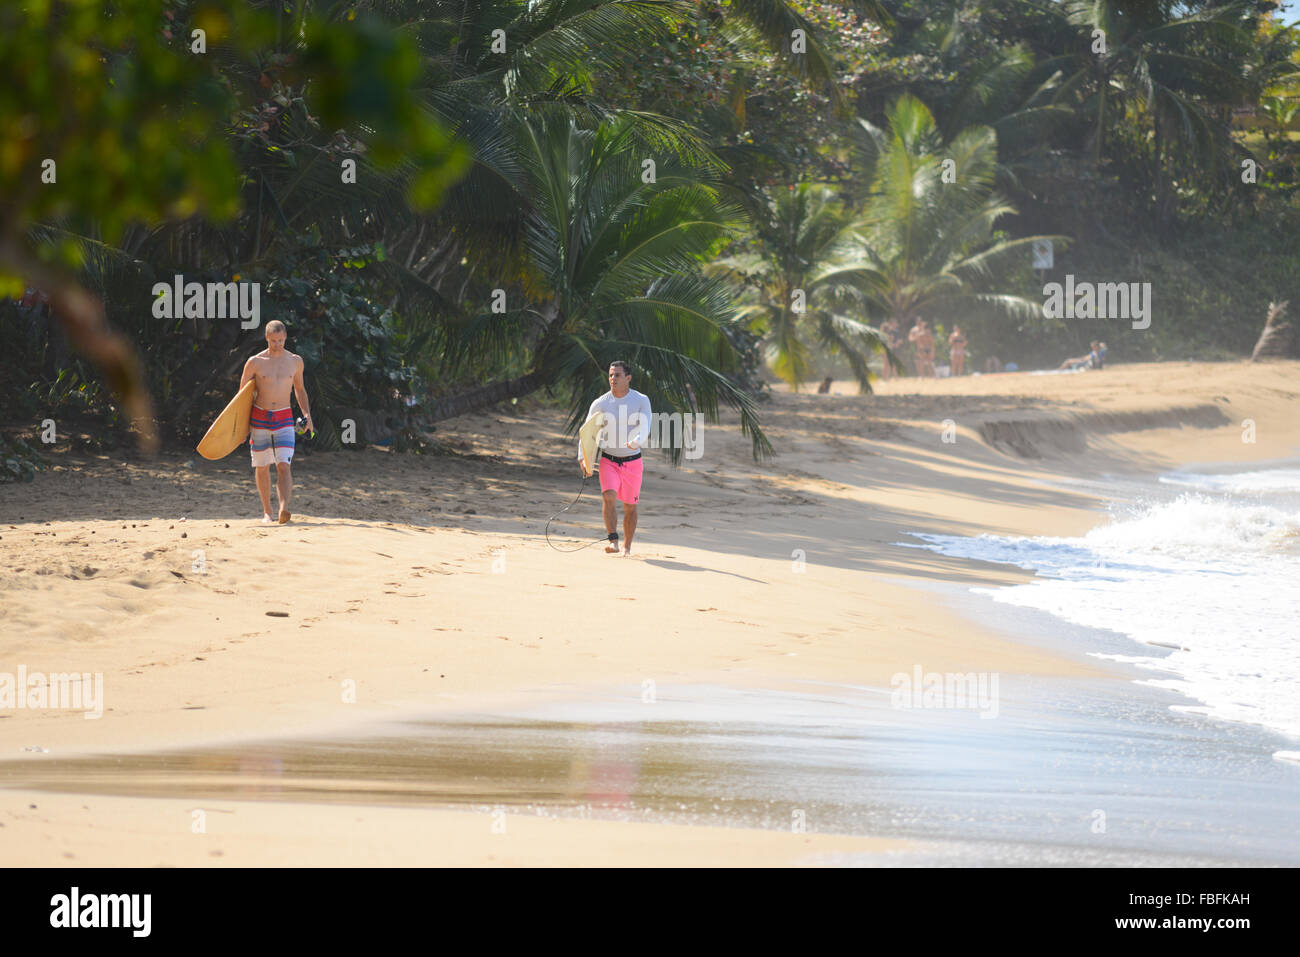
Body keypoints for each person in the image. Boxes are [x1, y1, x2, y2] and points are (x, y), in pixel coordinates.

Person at [240, 320, 313, 524]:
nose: (277, 344)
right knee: (262, 466)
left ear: (286, 338)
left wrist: (307, 415)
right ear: (266, 338)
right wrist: (240, 428)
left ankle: (283, 509)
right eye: (273, 341)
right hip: (259, 416)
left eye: (281, 340)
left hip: (284, 417)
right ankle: (267, 512)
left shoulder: (295, 361)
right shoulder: (255, 362)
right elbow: (241, 397)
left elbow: (299, 390)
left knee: (284, 465)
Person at [580, 361, 651, 556]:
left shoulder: (641, 400)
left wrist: (637, 440)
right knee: (609, 497)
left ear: (628, 378)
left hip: (633, 461)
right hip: (608, 460)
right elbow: (587, 431)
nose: (613, 379)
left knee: (630, 506)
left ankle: (627, 547)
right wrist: (583, 457)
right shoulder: (601, 403)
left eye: (617, 375)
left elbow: (646, 425)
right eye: (611, 375)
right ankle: (613, 541)